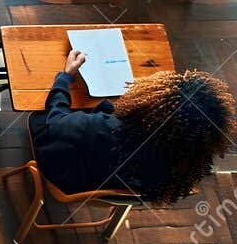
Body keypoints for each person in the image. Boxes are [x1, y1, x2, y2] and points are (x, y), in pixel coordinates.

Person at [30, 51, 236, 205]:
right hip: (111, 187)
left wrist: (65, 78)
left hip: (66, 177)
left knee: (39, 116)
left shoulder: (98, 127)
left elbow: (55, 122)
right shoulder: (190, 160)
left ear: (154, 112)